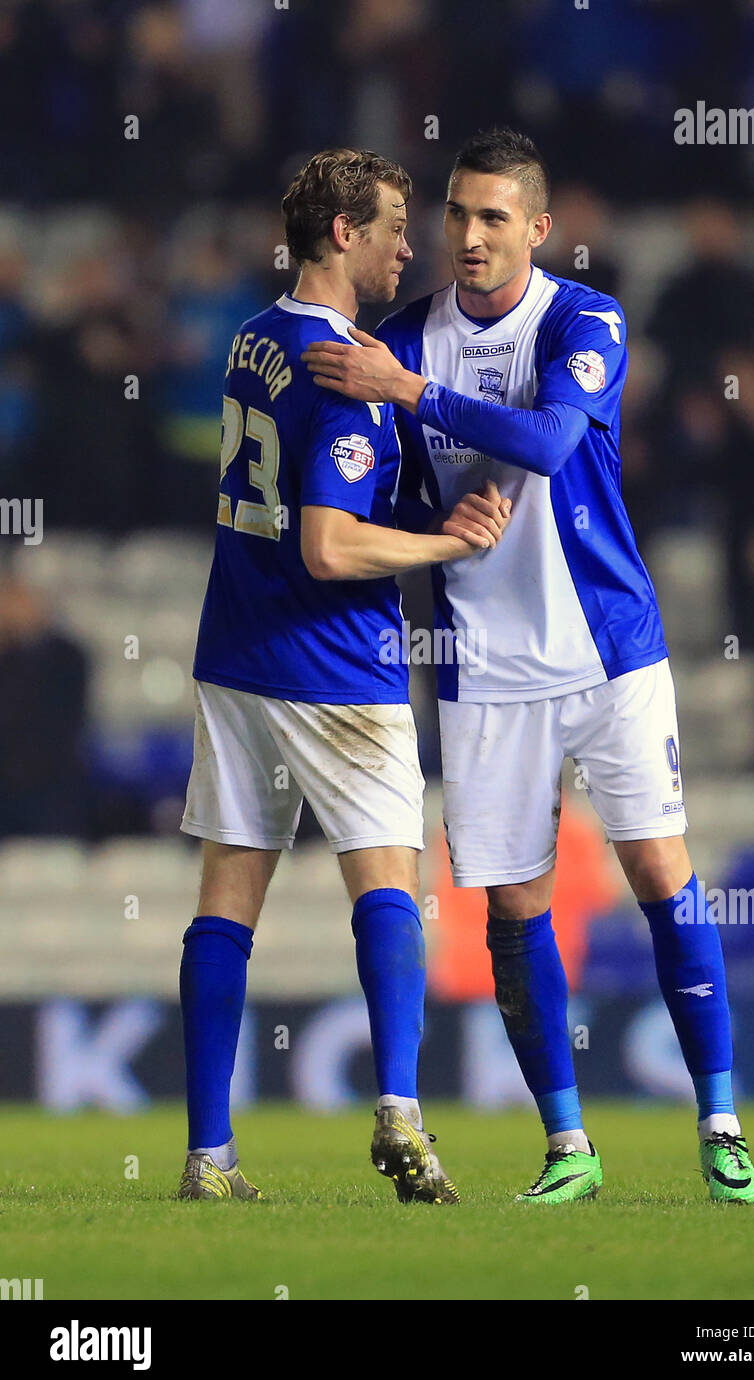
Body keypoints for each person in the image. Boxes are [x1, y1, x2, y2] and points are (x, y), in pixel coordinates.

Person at [302, 127, 754, 1206]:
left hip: (606, 649)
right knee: (516, 909)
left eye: (492, 217)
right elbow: (397, 498)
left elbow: (553, 443)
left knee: (657, 869)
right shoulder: (405, 335)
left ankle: (721, 1123)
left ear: (537, 229)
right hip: (481, 669)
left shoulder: (581, 319)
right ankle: (568, 1147)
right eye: (457, 213)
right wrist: (431, 514)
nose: (468, 235)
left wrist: (409, 395)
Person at [177, 147, 510, 1203]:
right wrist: (443, 547)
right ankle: (401, 1113)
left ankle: (208, 1156)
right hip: (333, 662)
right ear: (342, 235)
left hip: (234, 651)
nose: (409, 247)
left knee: (227, 901)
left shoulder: (253, 340)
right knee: (392, 889)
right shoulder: (342, 371)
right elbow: (329, 545)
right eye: (393, 227)